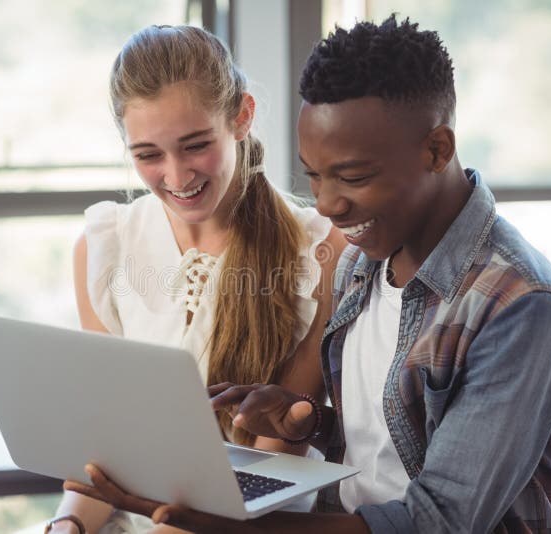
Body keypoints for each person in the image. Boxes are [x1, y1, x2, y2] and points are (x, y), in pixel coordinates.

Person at [65, 13, 551, 533]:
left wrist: (228, 526)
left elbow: (440, 521)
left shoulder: (520, 304)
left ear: (437, 149)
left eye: (351, 177)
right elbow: (382, 448)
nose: (325, 206)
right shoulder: (362, 264)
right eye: (315, 178)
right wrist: (309, 424)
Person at [44, 24, 345, 534]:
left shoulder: (317, 251)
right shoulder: (103, 247)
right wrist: (66, 525)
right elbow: (109, 447)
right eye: (148, 155)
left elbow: (279, 449)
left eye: (195, 145)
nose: (177, 176)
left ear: (241, 117)